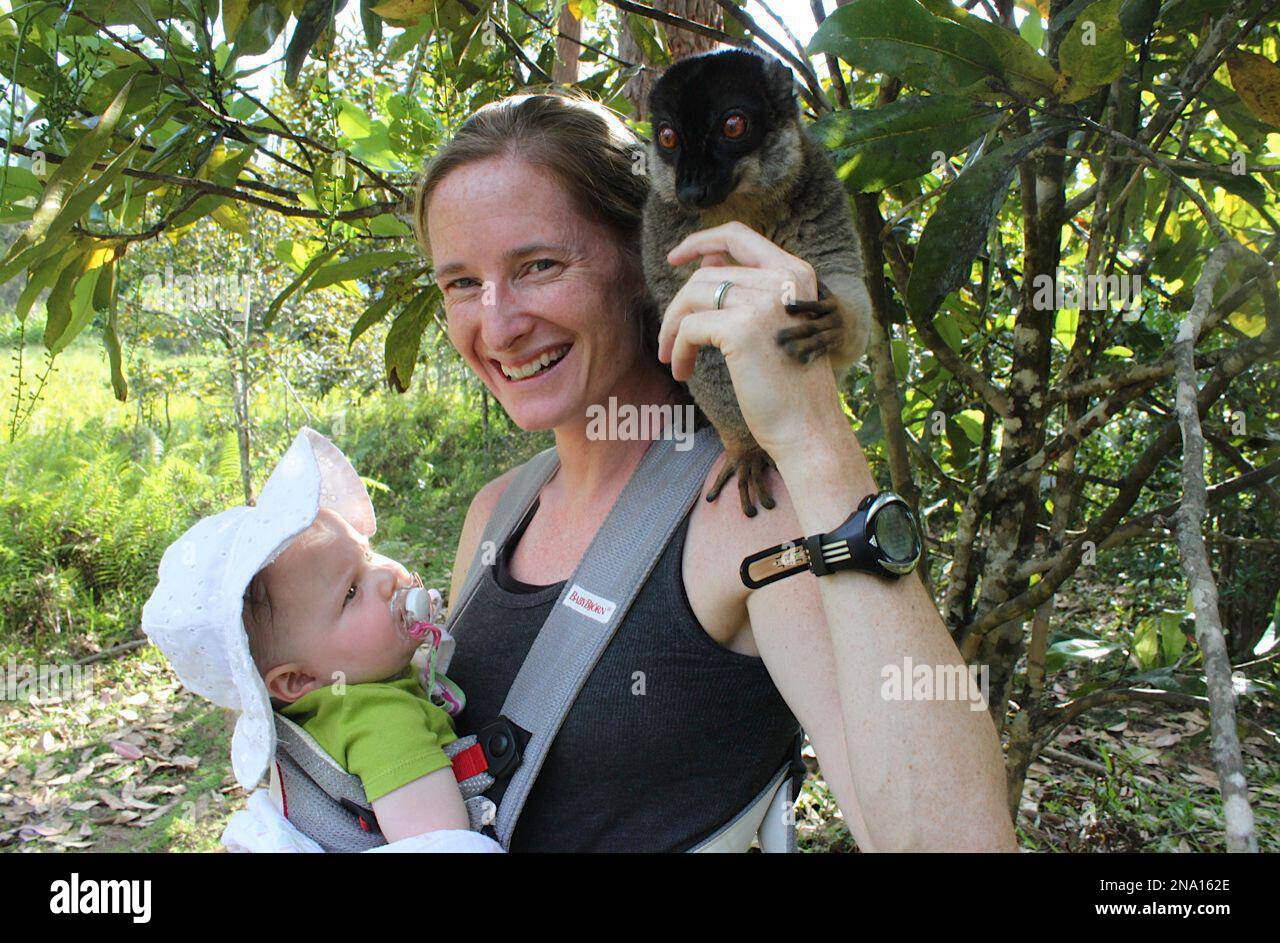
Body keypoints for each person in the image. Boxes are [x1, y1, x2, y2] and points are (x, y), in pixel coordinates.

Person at [412, 89, 1017, 852]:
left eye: (538, 265)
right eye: (461, 283)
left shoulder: (748, 513)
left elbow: (957, 845)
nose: (496, 323)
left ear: (646, 261)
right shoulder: (498, 511)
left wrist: (813, 433)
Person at [141, 427, 502, 852]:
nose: (387, 577)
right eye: (351, 592)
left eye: (368, 555)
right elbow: (443, 845)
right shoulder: (383, 722)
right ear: (296, 681)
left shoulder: (321, 707)